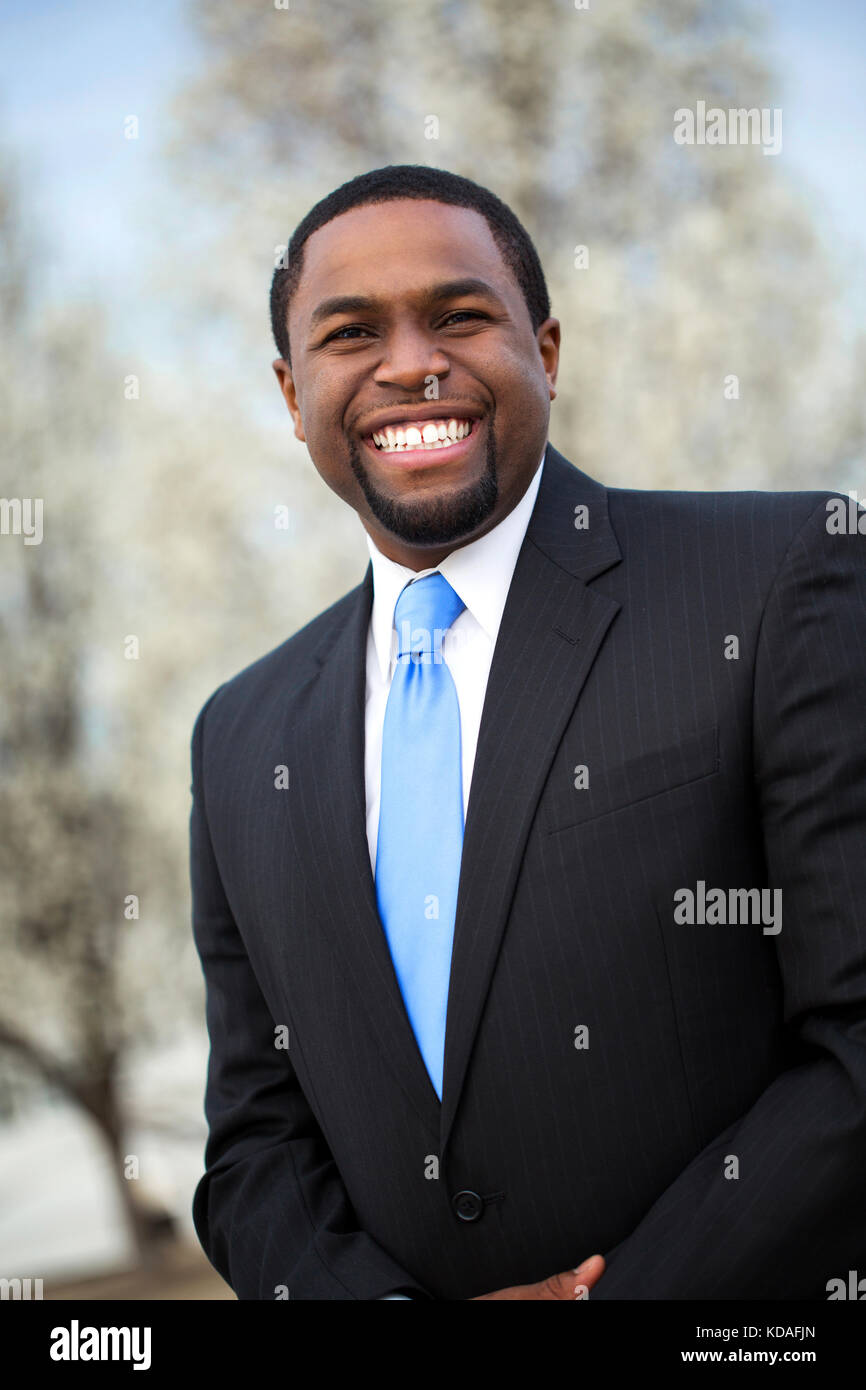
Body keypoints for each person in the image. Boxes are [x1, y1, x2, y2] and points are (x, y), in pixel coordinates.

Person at [189, 164, 866, 1300]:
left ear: (543, 351)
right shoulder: (238, 733)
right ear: (288, 388)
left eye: (458, 315)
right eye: (350, 333)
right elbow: (256, 1143)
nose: (409, 363)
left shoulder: (779, 579)